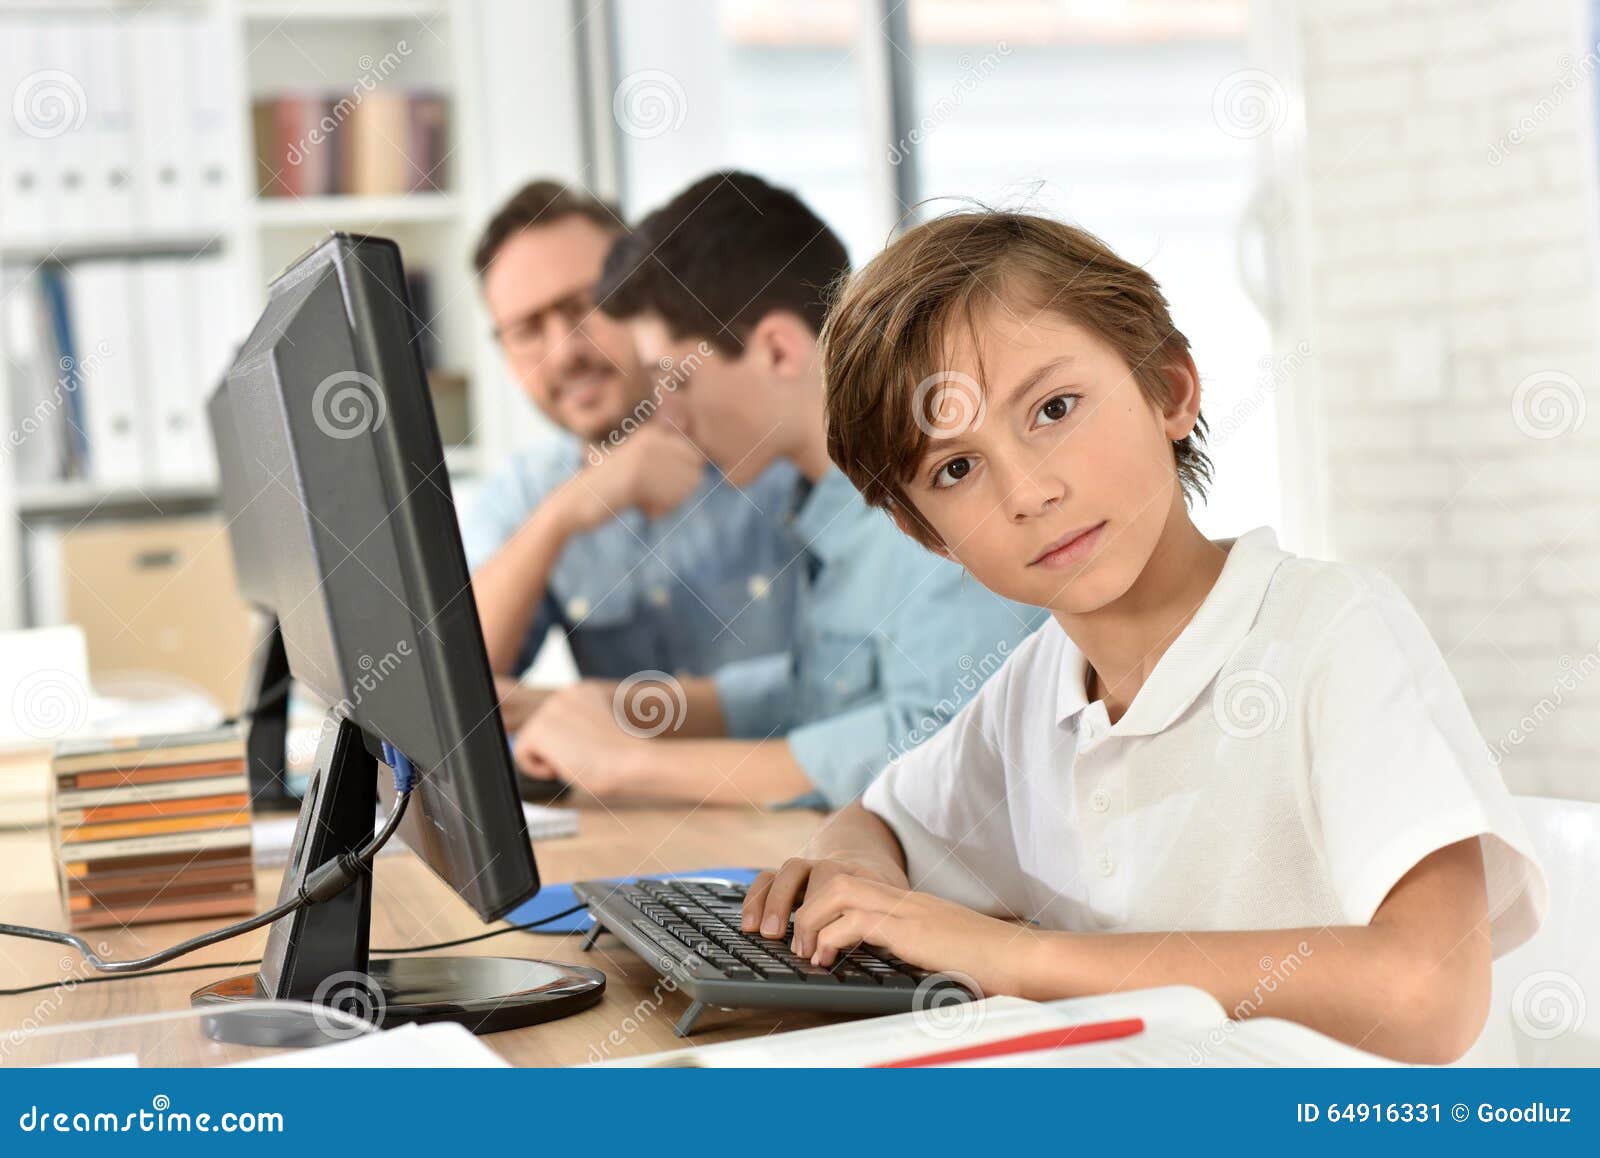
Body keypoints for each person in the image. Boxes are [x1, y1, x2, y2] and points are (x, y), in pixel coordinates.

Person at [738, 209, 1546, 1063]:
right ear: (925, 533)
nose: (1029, 492)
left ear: (1170, 390)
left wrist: (1017, 959)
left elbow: (1429, 994)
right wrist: (858, 880)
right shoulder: (1036, 688)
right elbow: (877, 820)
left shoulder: (1333, 633)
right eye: (957, 468)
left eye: (1053, 408)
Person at [513, 173, 1047, 807]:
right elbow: (824, 694)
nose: (666, 418)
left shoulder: (936, 496)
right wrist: (633, 706)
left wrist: (632, 764)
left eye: (675, 379)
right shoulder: (828, 507)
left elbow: (939, 746)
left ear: (776, 351)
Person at [464, 181, 801, 728]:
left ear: (642, 297)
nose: (565, 352)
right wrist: (564, 513)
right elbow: (451, 691)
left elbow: (846, 687)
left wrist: (584, 710)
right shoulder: (527, 491)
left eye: (584, 306)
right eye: (527, 330)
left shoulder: (773, 444)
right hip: (627, 786)